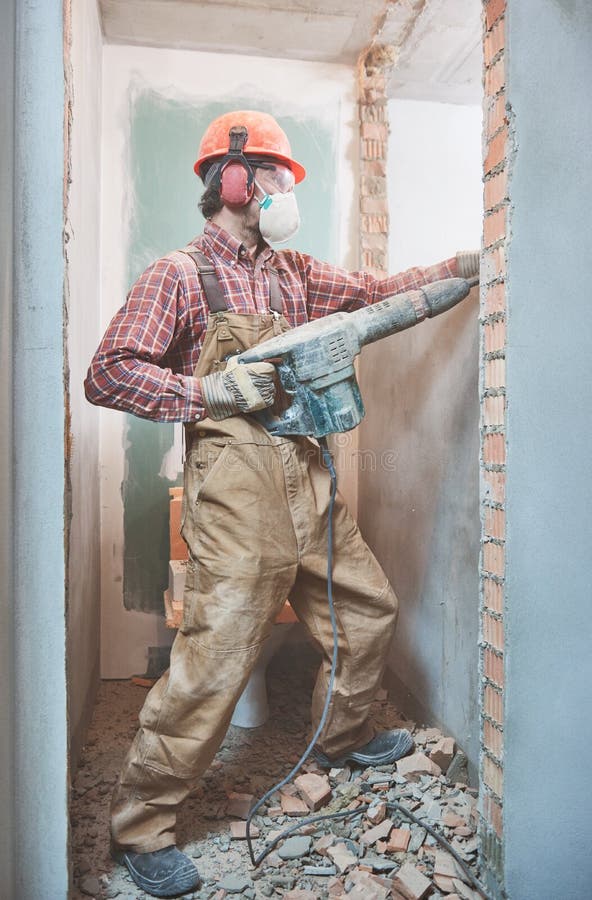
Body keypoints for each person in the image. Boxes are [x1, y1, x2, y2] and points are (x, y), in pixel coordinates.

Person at [85, 109, 479, 898]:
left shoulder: (294, 273)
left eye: (283, 175)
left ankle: (340, 737)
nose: (280, 187)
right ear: (227, 179)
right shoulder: (179, 273)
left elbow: (374, 292)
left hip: (307, 475)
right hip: (236, 490)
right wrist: (204, 390)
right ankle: (141, 827)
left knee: (366, 609)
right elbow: (108, 372)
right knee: (214, 660)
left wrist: (465, 267)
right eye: (268, 173)